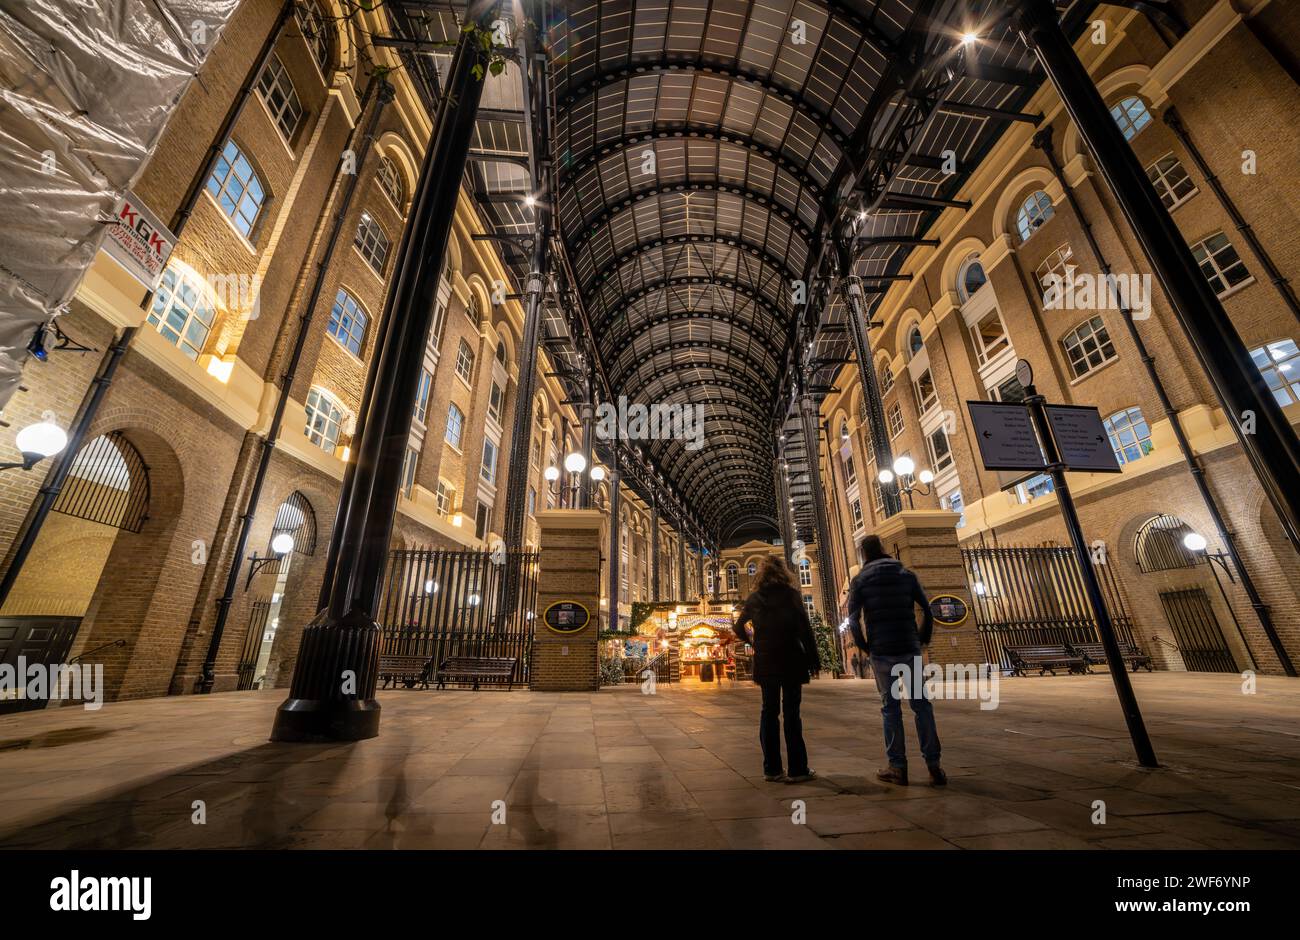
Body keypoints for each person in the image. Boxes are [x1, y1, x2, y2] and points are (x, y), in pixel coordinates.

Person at [846, 535, 946, 787]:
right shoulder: (906, 574)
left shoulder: (860, 580)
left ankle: (897, 767)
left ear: (864, 555)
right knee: (921, 706)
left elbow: (853, 619)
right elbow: (927, 609)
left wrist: (864, 646)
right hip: (908, 647)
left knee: (890, 708)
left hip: (881, 650)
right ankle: (934, 765)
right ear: (882, 549)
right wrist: (922, 638)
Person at [733, 556, 821, 783]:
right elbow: (804, 629)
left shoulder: (755, 598)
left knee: (769, 712)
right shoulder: (791, 595)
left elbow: (738, 626)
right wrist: (813, 659)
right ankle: (797, 769)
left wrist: (754, 641)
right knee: (792, 713)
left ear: (760, 574)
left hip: (766, 660)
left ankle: (772, 769)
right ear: (784, 573)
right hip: (791, 658)